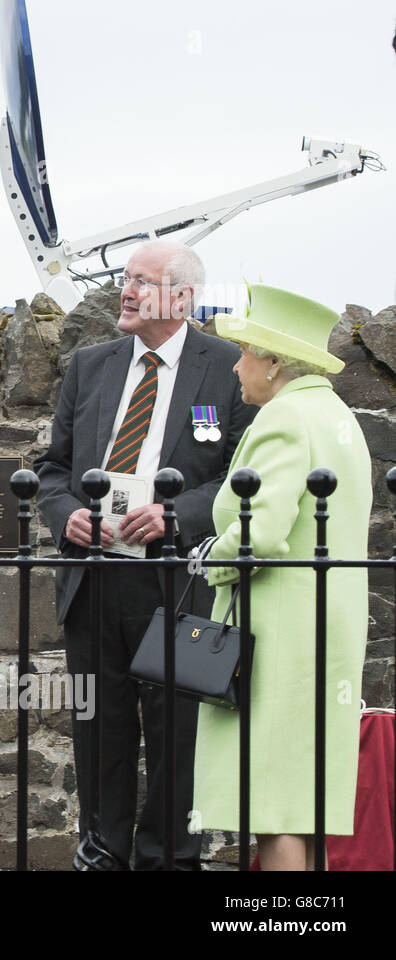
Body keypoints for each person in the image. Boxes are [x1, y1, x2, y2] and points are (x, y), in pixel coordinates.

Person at [34, 239, 256, 870]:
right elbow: (52, 469)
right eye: (124, 279)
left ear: (182, 297)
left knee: (175, 739)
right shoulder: (90, 365)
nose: (125, 292)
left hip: (177, 581)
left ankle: (169, 862)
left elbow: (239, 476)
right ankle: (101, 856)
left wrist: (175, 514)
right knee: (98, 735)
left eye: (141, 281)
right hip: (95, 581)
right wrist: (66, 515)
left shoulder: (227, 368)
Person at [193, 284, 370, 870]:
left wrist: (206, 558)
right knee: (307, 797)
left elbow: (260, 533)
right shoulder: (338, 416)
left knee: (274, 803)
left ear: (273, 363)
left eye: (245, 351)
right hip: (328, 624)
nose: (237, 364)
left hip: (280, 632)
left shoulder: (284, 417)